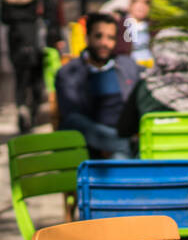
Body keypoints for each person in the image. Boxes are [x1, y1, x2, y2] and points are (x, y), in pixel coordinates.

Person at [55, 11, 141, 158]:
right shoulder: (70, 72)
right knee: (75, 121)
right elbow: (72, 115)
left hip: (123, 134)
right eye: (98, 36)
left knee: (120, 158)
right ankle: (125, 144)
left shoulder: (127, 65)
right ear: (87, 37)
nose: (104, 43)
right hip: (88, 140)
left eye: (110, 38)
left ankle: (124, 146)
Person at [0, 0, 49, 134]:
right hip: (33, 34)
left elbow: (3, 17)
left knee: (20, 76)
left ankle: (20, 107)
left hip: (15, 36)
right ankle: (32, 111)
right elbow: (48, 11)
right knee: (35, 76)